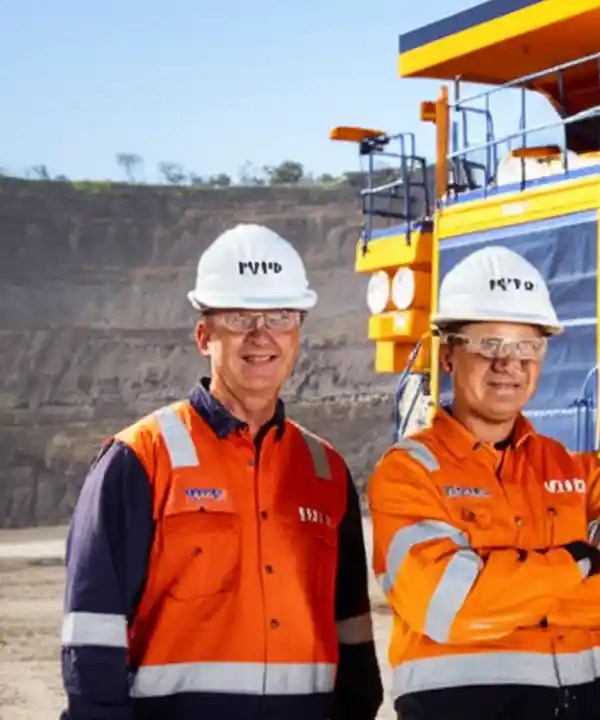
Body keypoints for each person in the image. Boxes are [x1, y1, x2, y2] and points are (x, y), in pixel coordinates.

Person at [59, 223, 384, 720]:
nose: (261, 335)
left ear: (298, 333)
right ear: (203, 336)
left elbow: (353, 636)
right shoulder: (139, 460)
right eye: (238, 317)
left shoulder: (326, 471)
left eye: (280, 316)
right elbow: (92, 636)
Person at [366, 245, 600, 720]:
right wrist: (576, 564)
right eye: (489, 345)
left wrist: (517, 600)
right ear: (448, 356)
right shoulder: (410, 471)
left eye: (527, 346)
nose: (509, 363)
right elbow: (449, 605)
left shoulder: (573, 470)